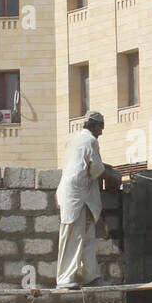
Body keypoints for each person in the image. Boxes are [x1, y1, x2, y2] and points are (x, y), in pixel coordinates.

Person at [55, 111, 119, 289]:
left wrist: (105, 167)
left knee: (87, 237)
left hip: (80, 195)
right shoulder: (91, 140)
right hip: (75, 195)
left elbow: (83, 161)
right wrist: (111, 177)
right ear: (95, 126)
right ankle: (65, 279)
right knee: (72, 236)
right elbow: (95, 168)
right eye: (101, 128)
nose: (102, 132)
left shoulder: (74, 138)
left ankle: (91, 276)